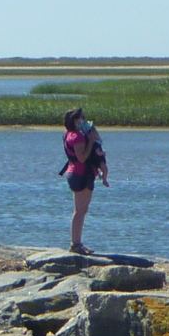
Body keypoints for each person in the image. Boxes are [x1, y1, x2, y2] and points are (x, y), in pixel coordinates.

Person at [61, 107, 108, 255]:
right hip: (80, 174)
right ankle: (75, 244)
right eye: (79, 118)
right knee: (80, 210)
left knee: (82, 210)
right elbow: (82, 157)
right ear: (73, 120)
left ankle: (77, 243)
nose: (83, 120)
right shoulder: (76, 137)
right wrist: (92, 141)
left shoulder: (71, 134)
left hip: (79, 173)